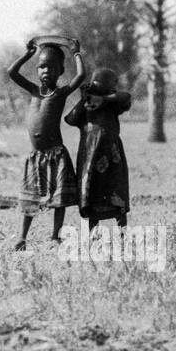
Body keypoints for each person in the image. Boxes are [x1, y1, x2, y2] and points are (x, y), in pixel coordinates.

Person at [7, 38, 84, 248]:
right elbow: (12, 73)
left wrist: (76, 53)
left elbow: (80, 76)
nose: (46, 71)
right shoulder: (33, 90)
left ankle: (55, 235)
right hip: (36, 156)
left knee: (59, 199)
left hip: (56, 154)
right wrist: (27, 54)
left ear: (60, 71)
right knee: (30, 198)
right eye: (41, 66)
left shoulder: (60, 93)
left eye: (51, 67)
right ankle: (22, 238)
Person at [64, 67, 132, 230]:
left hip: (112, 156)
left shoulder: (112, 105)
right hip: (90, 156)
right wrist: (84, 99)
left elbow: (126, 97)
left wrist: (105, 99)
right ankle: (93, 234)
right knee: (91, 193)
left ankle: (122, 232)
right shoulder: (86, 107)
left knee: (117, 192)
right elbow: (70, 119)